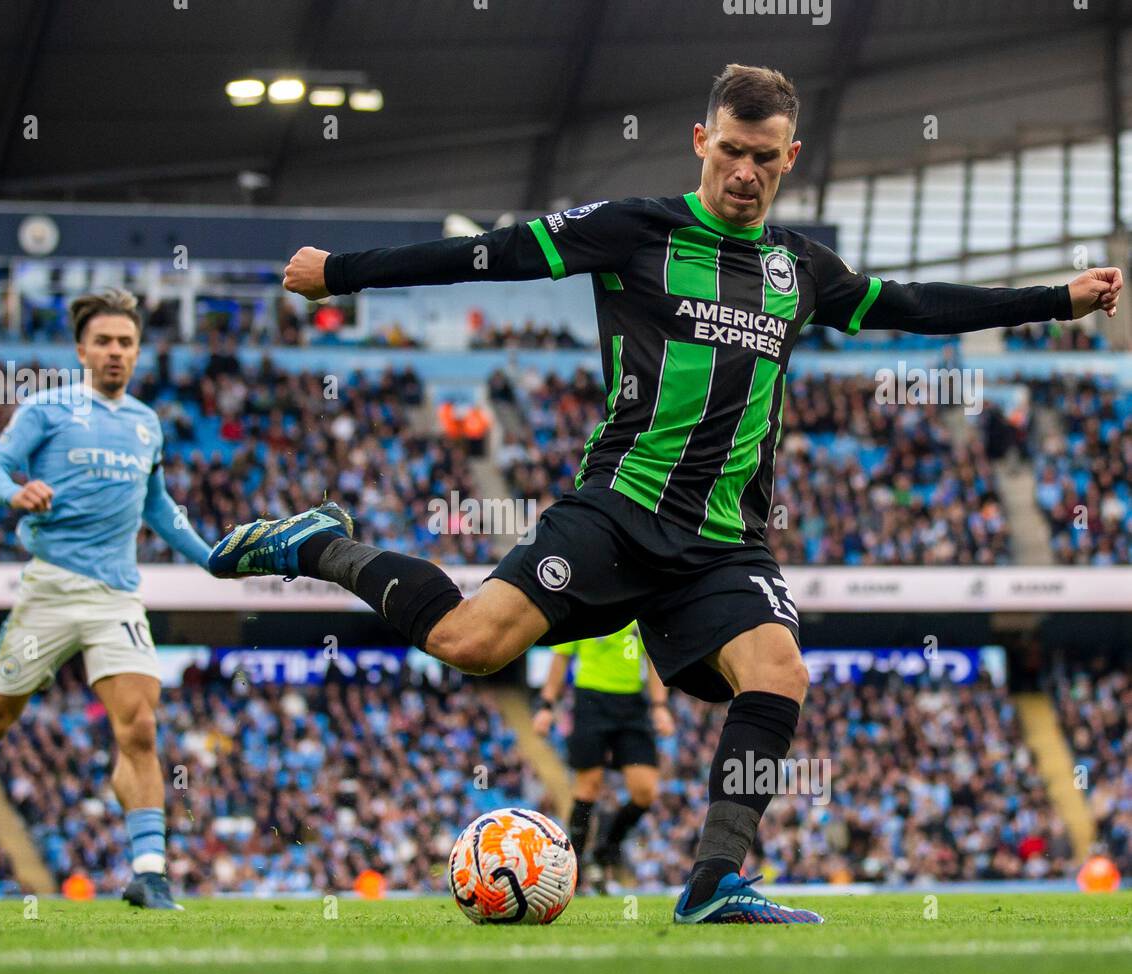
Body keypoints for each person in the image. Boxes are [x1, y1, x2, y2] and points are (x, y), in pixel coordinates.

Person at [210, 64, 1122, 925]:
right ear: (701, 141)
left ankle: (714, 880)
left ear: (789, 159)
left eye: (766, 157)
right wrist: (344, 272)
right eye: (732, 150)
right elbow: (488, 256)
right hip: (617, 508)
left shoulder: (799, 269)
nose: (746, 173)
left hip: (725, 541)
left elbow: (919, 305)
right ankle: (317, 546)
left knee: (779, 672)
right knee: (469, 643)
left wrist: (1056, 298)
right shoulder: (635, 230)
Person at [0, 289, 215, 910]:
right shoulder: (47, 409)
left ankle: (150, 873)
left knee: (139, 724)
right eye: (103, 341)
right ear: (81, 349)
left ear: (138, 351)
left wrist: (210, 557)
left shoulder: (145, 422)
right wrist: (15, 493)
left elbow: (158, 507)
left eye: (125, 343)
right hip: (49, 591)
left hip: (116, 597)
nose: (114, 352)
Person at [531, 621, 674, 891]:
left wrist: (659, 705)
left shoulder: (640, 609)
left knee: (645, 791)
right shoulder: (586, 605)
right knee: (589, 785)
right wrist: (546, 705)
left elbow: (653, 659)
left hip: (632, 706)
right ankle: (573, 869)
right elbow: (560, 657)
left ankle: (604, 849)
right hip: (590, 702)